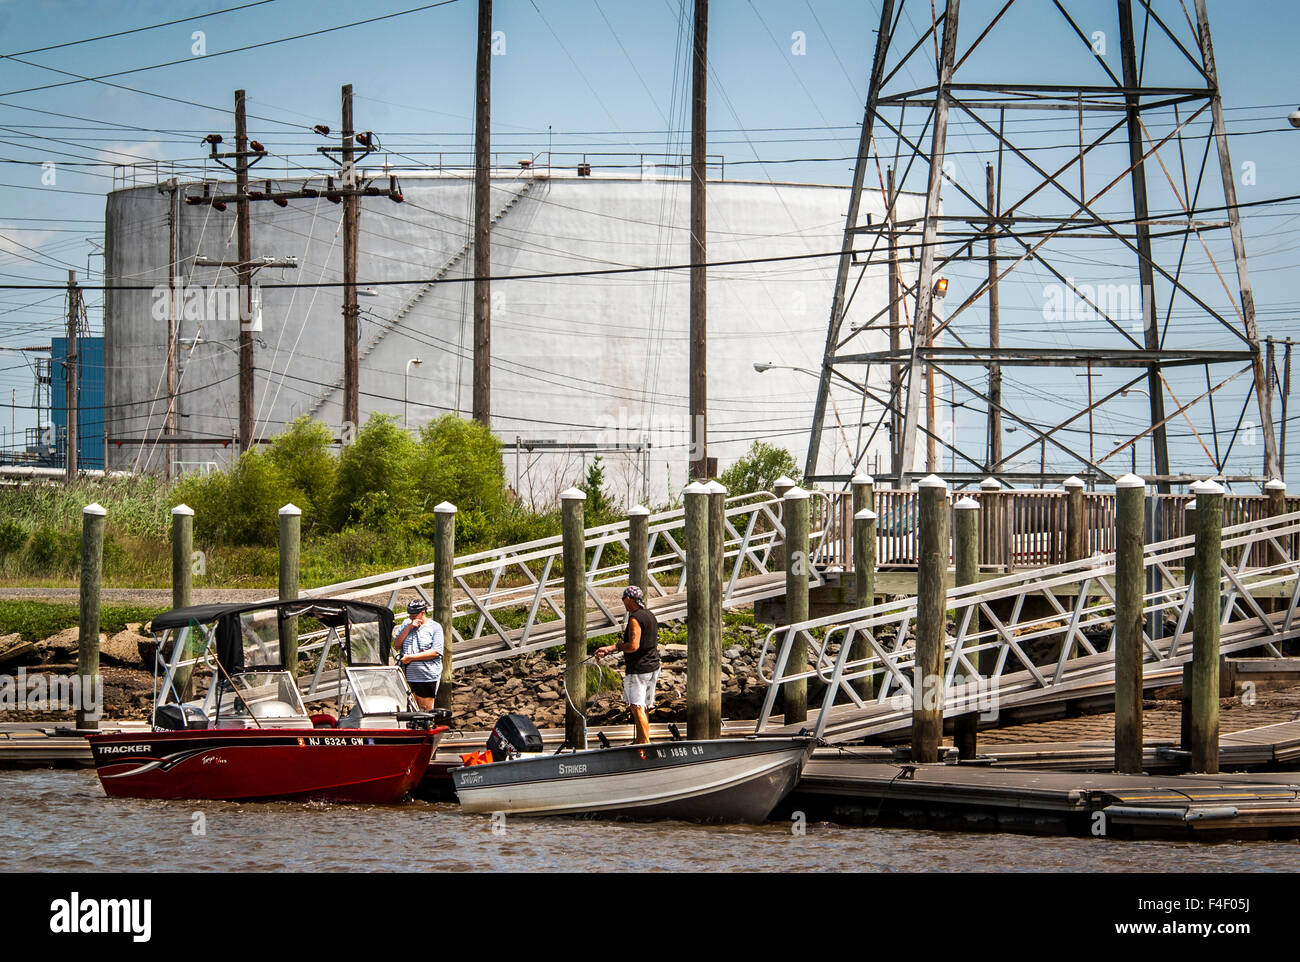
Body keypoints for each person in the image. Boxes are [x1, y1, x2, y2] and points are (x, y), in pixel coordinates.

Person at [594, 585, 659, 744]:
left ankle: (644, 743)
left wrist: (617, 647)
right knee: (643, 707)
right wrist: (610, 648)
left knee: (636, 706)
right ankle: (641, 740)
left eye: (623, 599)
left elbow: (633, 646)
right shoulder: (650, 615)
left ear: (629, 599)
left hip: (638, 669)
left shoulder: (635, 618)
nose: (623, 602)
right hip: (653, 666)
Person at [393, 598, 443, 711]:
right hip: (407, 675)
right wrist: (409, 627)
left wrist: (411, 658)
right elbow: (397, 644)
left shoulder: (435, 627)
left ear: (423, 613)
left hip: (426, 676)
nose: (412, 617)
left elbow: (436, 652)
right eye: (410, 615)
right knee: (407, 709)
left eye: (414, 615)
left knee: (425, 710)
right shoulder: (407, 624)